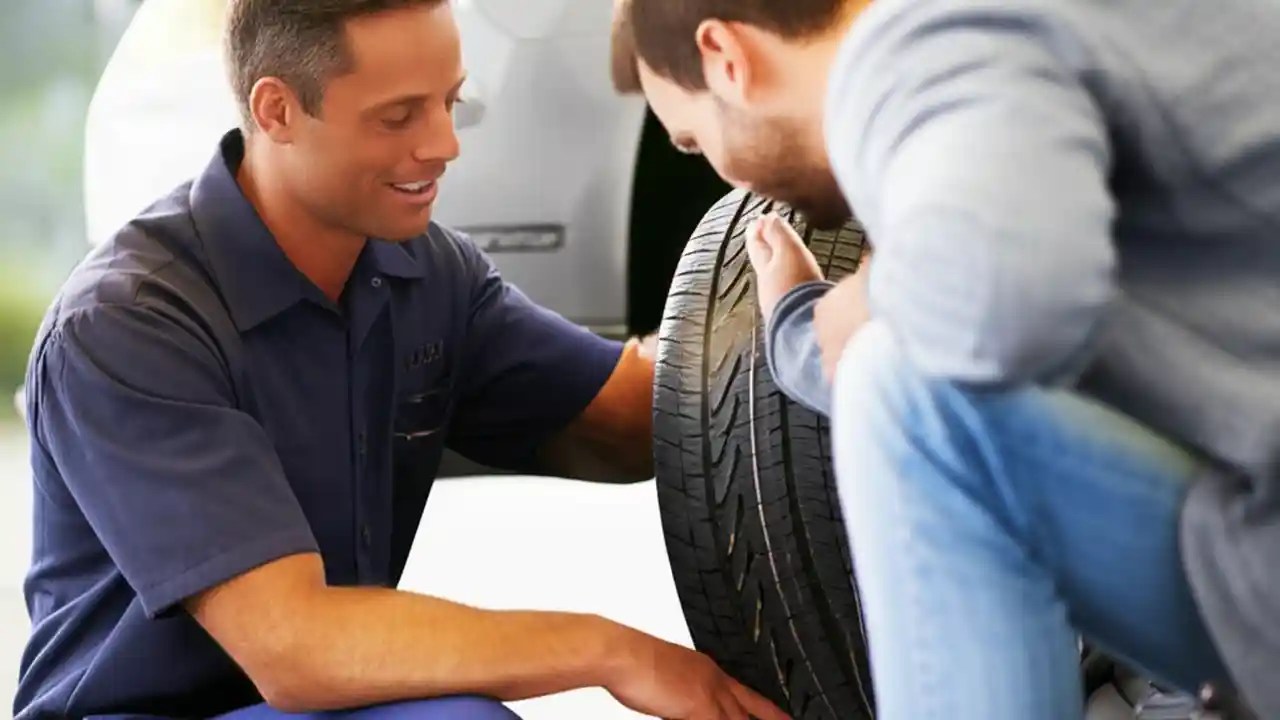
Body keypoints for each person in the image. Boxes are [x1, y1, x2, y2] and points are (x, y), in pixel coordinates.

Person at [16, 2, 791, 719]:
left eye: (450, 103)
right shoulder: (130, 324)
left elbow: (633, 420)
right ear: (276, 109)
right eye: (398, 117)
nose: (444, 145)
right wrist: (611, 649)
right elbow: (296, 647)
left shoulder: (420, 271)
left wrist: (828, 311)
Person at [613, 0, 1280, 718]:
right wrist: (805, 331)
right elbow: (1000, 379)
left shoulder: (932, 39)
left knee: (896, 390)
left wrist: (869, 297)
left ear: (725, 58)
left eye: (693, 140)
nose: (725, 177)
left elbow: (1007, 309)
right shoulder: (1038, 54)